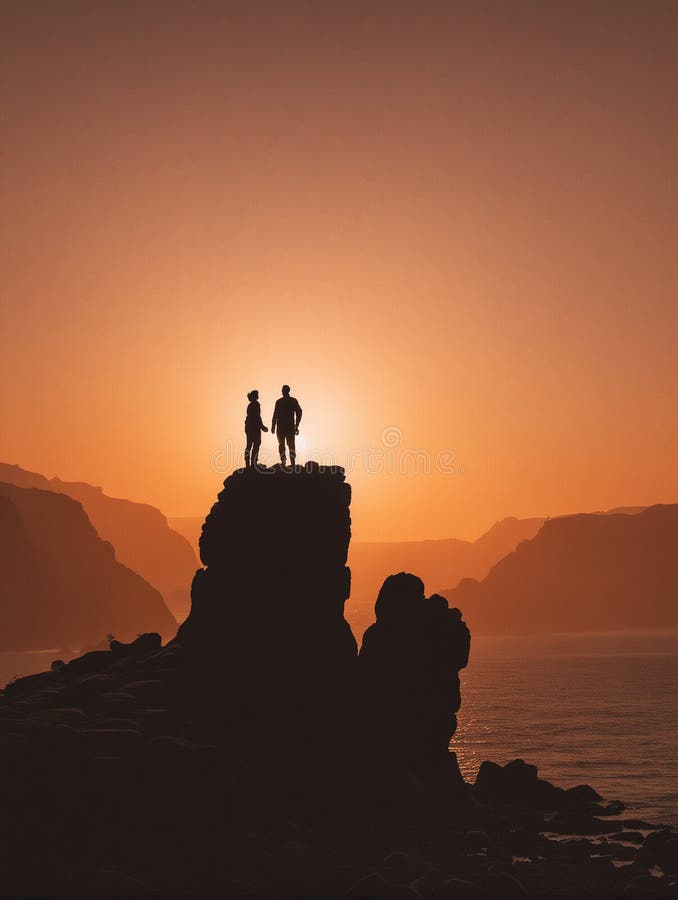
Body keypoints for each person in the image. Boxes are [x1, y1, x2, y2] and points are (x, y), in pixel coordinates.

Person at [271, 384, 302, 466]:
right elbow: (275, 415)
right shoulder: (290, 401)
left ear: (284, 391)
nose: (282, 392)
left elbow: (299, 412)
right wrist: (296, 425)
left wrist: (296, 425)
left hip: (285, 427)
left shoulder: (282, 401)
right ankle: (288, 462)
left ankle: (289, 462)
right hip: (285, 427)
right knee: (286, 445)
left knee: (287, 445)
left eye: (283, 390)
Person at [244, 390, 268, 468]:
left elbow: (256, 417)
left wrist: (262, 426)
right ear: (254, 396)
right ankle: (253, 463)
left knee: (249, 445)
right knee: (255, 444)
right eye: (257, 394)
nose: (258, 396)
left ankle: (248, 464)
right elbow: (257, 417)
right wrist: (262, 427)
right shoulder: (255, 404)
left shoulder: (250, 405)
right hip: (254, 428)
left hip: (249, 427)